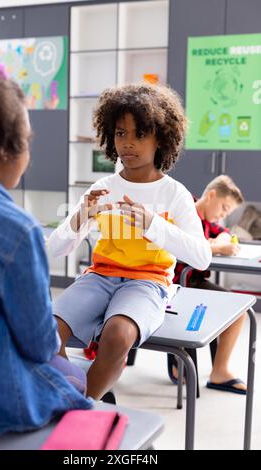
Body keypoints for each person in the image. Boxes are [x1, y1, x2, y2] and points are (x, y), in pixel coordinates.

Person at [48, 83, 212, 401]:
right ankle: (77, 394)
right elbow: (54, 250)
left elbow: (202, 257)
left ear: (161, 138)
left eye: (139, 134)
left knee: (118, 334)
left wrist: (153, 225)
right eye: (121, 133)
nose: (128, 144)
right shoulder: (102, 187)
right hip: (100, 276)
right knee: (44, 334)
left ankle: (86, 404)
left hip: (148, 282)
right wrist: (82, 214)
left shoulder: (173, 193)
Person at [0, 63, 91, 439]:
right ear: (7, 148)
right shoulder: (15, 230)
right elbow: (38, 345)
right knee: (73, 377)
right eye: (29, 140)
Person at [172, 174, 247, 394]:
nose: (223, 215)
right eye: (224, 208)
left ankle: (220, 371)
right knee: (233, 308)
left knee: (238, 308)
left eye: (228, 212)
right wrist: (214, 247)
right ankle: (185, 360)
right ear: (211, 195)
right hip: (178, 285)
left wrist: (220, 241)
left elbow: (224, 233)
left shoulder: (206, 219)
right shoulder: (185, 212)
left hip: (194, 282)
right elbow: (185, 247)